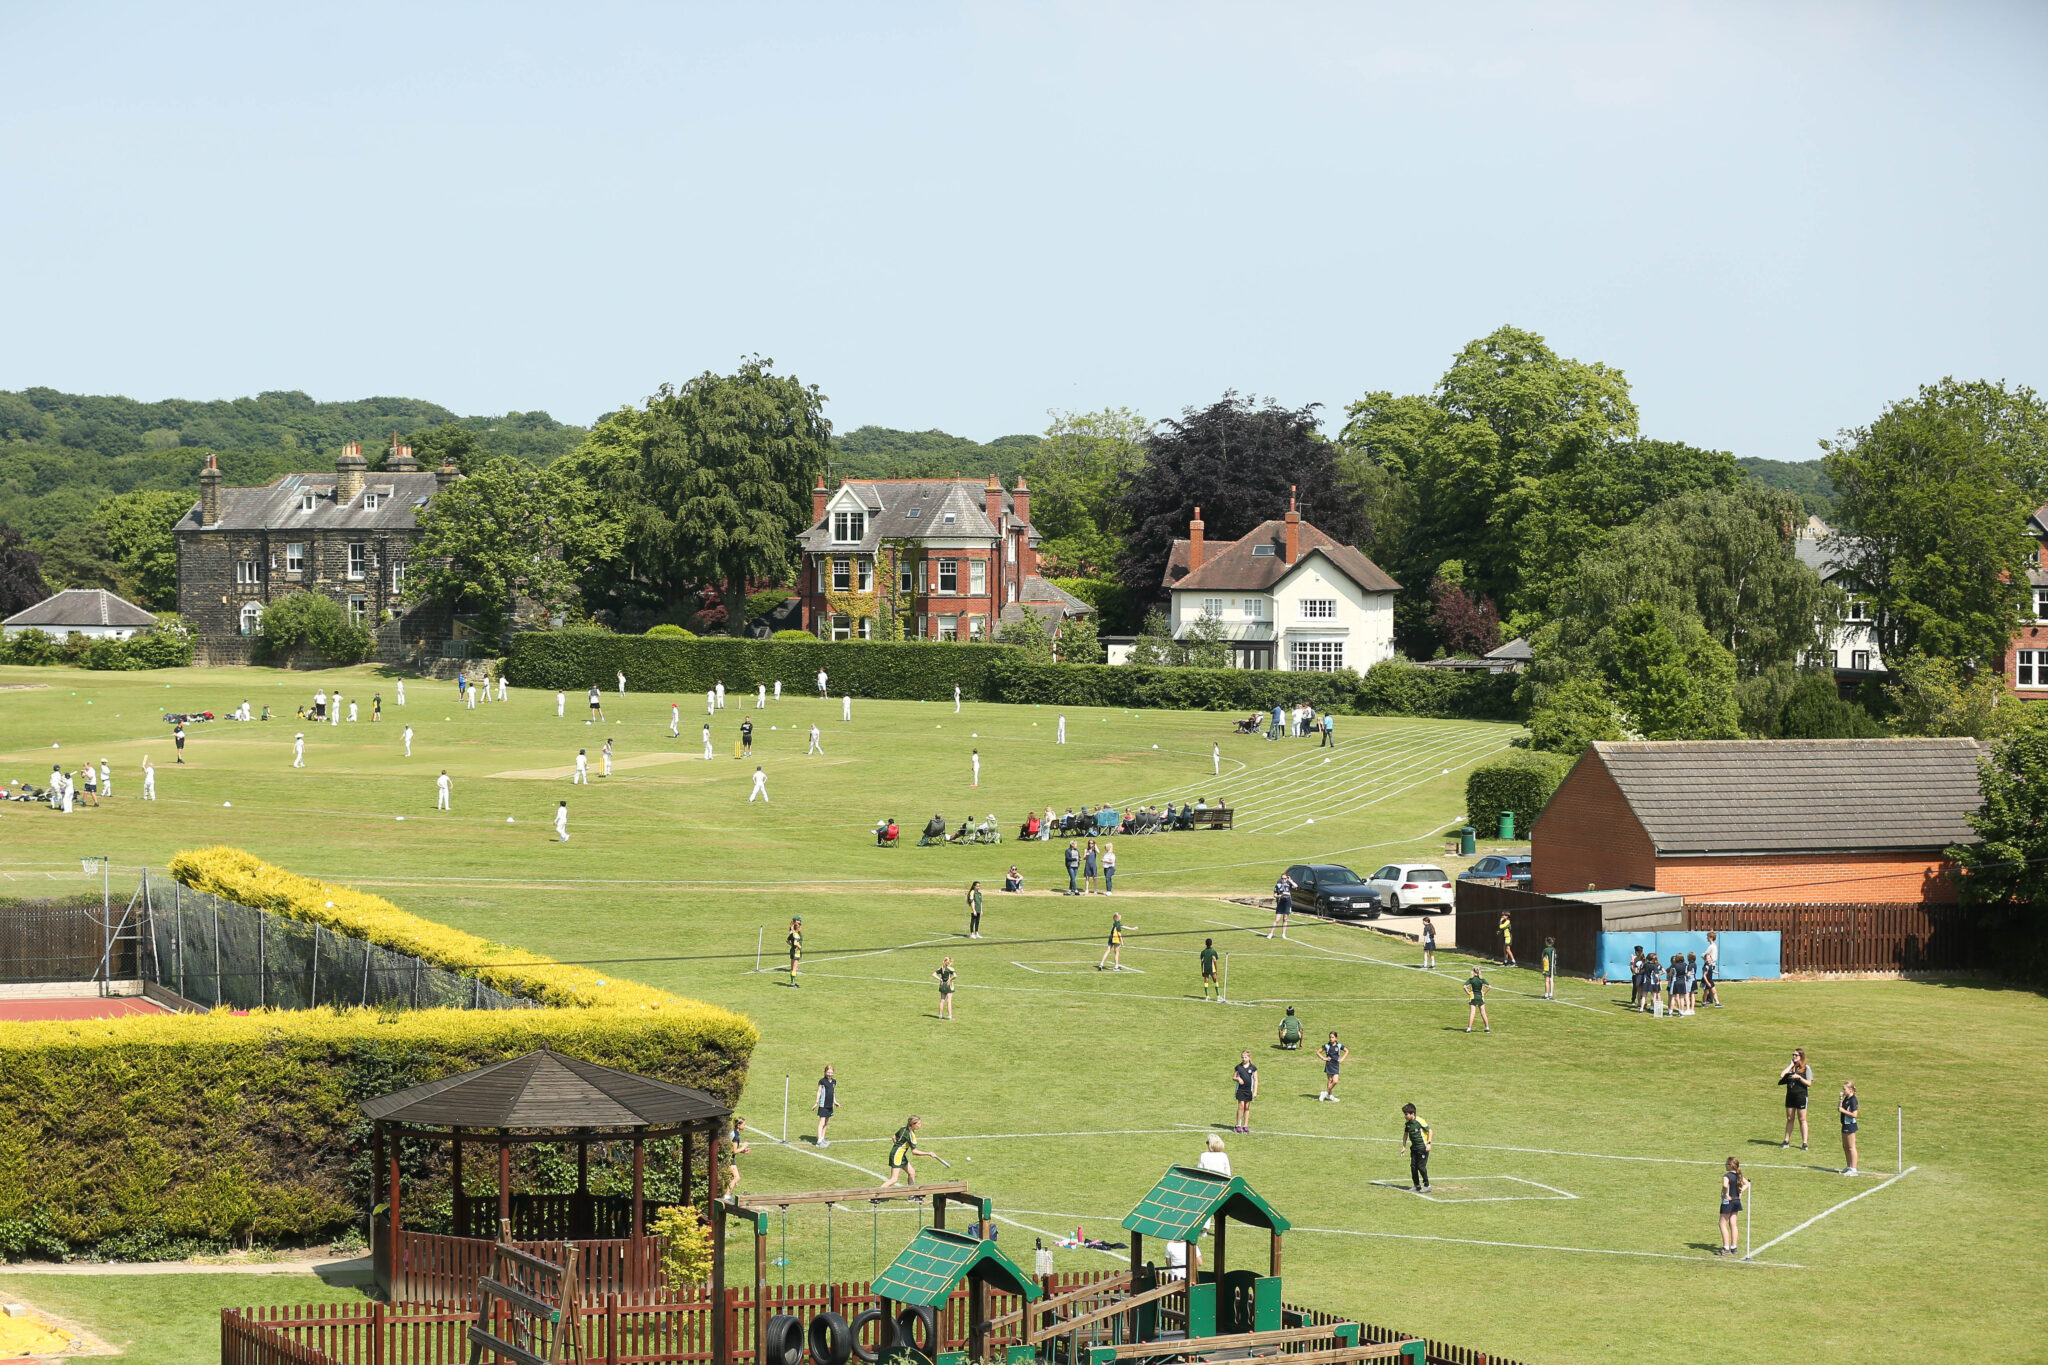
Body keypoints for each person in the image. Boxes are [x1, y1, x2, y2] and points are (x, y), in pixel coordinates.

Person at [879, 1116, 933, 1189]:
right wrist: (928, 1153)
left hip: (899, 1154)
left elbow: (894, 1137)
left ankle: (911, 1193)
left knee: (911, 1172)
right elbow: (914, 1151)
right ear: (913, 1124)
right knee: (894, 1179)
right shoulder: (911, 1135)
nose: (920, 1125)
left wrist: (898, 1146)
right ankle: (876, 1193)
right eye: (918, 1124)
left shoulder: (903, 1128)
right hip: (897, 1156)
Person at [1779, 1048, 1813, 1150]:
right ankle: (1786, 1141)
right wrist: (1790, 1065)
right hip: (1790, 1096)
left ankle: (1805, 1143)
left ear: (1801, 1057)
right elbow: (1782, 1075)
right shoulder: (1792, 1068)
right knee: (1790, 1118)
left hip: (1801, 1096)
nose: (1794, 1056)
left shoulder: (1806, 1068)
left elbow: (1809, 1083)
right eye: (1793, 1055)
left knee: (1802, 1119)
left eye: (1796, 1055)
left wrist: (1799, 1077)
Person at [1717, 1158, 1750, 1256]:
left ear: (1730, 1166)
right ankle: (1734, 1247)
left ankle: (1726, 1247)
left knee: (1722, 1224)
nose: (1725, 1165)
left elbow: (1725, 1185)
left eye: (1726, 1164)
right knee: (1733, 1224)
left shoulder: (1726, 1176)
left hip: (1728, 1202)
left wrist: (1725, 1194)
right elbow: (1747, 1184)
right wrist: (1740, 1191)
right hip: (1736, 1201)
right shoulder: (1739, 1175)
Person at [1402, 1103, 1433, 1193]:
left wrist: (1429, 1143)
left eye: (1406, 1114)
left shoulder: (1420, 1121)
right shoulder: (1408, 1124)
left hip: (1422, 1148)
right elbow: (1405, 1135)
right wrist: (1404, 1146)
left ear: (1412, 1114)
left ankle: (1427, 1185)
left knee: (1421, 1166)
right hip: (1414, 1148)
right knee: (1413, 1167)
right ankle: (1417, 1185)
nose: (1405, 1116)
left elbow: (1430, 1131)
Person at [1232, 1050, 1259, 1133]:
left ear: (1249, 1058)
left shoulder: (1253, 1068)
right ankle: (1238, 1125)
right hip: (1240, 1090)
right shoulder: (1238, 1067)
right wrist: (1238, 1079)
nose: (1243, 1059)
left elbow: (1256, 1080)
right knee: (1241, 1106)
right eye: (1242, 1057)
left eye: (1245, 1057)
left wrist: (1255, 1091)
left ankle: (1245, 1125)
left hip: (1249, 1090)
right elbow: (1234, 1077)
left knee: (1247, 1107)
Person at [1318, 1031, 1349, 1102]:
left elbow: (1347, 1051)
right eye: (1330, 1037)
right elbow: (1318, 1052)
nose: (1331, 1039)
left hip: (1336, 1065)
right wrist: (1324, 1058)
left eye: (1332, 1037)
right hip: (1329, 1064)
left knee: (1335, 1081)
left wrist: (1342, 1059)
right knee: (1330, 1080)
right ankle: (1330, 1096)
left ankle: (1325, 1093)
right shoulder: (1327, 1046)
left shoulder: (1339, 1045)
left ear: (1336, 1038)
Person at [1838, 1080, 1860, 1176]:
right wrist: (1840, 1099)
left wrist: (1843, 1111)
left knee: (1851, 1147)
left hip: (1850, 1125)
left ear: (1850, 1089)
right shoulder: (1846, 1098)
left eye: (1844, 1089)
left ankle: (1854, 1169)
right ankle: (1849, 1166)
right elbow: (1839, 1108)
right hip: (1844, 1124)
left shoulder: (1853, 1100)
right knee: (1845, 1146)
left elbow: (1854, 1114)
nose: (1843, 1091)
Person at [814, 1065, 838, 1147]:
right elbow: (819, 1092)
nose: (829, 1074)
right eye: (828, 1072)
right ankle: (819, 1141)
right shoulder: (822, 1081)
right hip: (823, 1105)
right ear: (825, 1072)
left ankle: (822, 1138)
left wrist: (835, 1102)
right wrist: (816, 1102)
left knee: (826, 1123)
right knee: (822, 1122)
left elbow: (832, 1093)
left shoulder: (834, 1082)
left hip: (829, 1105)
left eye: (831, 1072)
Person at [1267, 872, 1294, 940]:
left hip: (1287, 902)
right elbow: (1275, 895)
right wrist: (1280, 896)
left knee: (1285, 918)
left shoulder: (1289, 884)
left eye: (1285, 878)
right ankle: (1271, 933)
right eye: (1282, 878)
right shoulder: (1278, 885)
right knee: (1277, 919)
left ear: (1287, 878)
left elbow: (1296, 886)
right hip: (1280, 902)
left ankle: (1283, 934)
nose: (1283, 880)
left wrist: (1290, 880)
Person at [1465, 967, 1491, 1032]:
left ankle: (1469, 1028)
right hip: (1480, 997)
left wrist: (1468, 992)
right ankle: (1487, 1027)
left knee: (1472, 1013)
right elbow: (1489, 987)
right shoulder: (1482, 980)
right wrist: (1484, 993)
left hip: (1473, 997)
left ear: (1473, 972)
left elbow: (1464, 986)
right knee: (1483, 1013)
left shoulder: (1471, 979)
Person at [1702, 932, 1722, 1007]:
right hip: (1712, 964)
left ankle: (1709, 999)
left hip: (1710, 964)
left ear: (1711, 937)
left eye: (1708, 937)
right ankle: (1709, 1000)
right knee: (1708, 983)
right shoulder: (1715, 945)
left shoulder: (1711, 946)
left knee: (1708, 981)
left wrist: (1703, 955)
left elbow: (1705, 955)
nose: (1707, 938)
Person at [786, 916, 802, 986]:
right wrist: (799, 946)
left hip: (792, 951)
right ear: (798, 928)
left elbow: (787, 941)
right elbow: (795, 943)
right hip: (796, 952)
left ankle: (792, 982)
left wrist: (792, 945)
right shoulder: (797, 935)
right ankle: (793, 984)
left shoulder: (792, 934)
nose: (801, 928)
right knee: (794, 969)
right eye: (800, 927)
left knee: (792, 968)